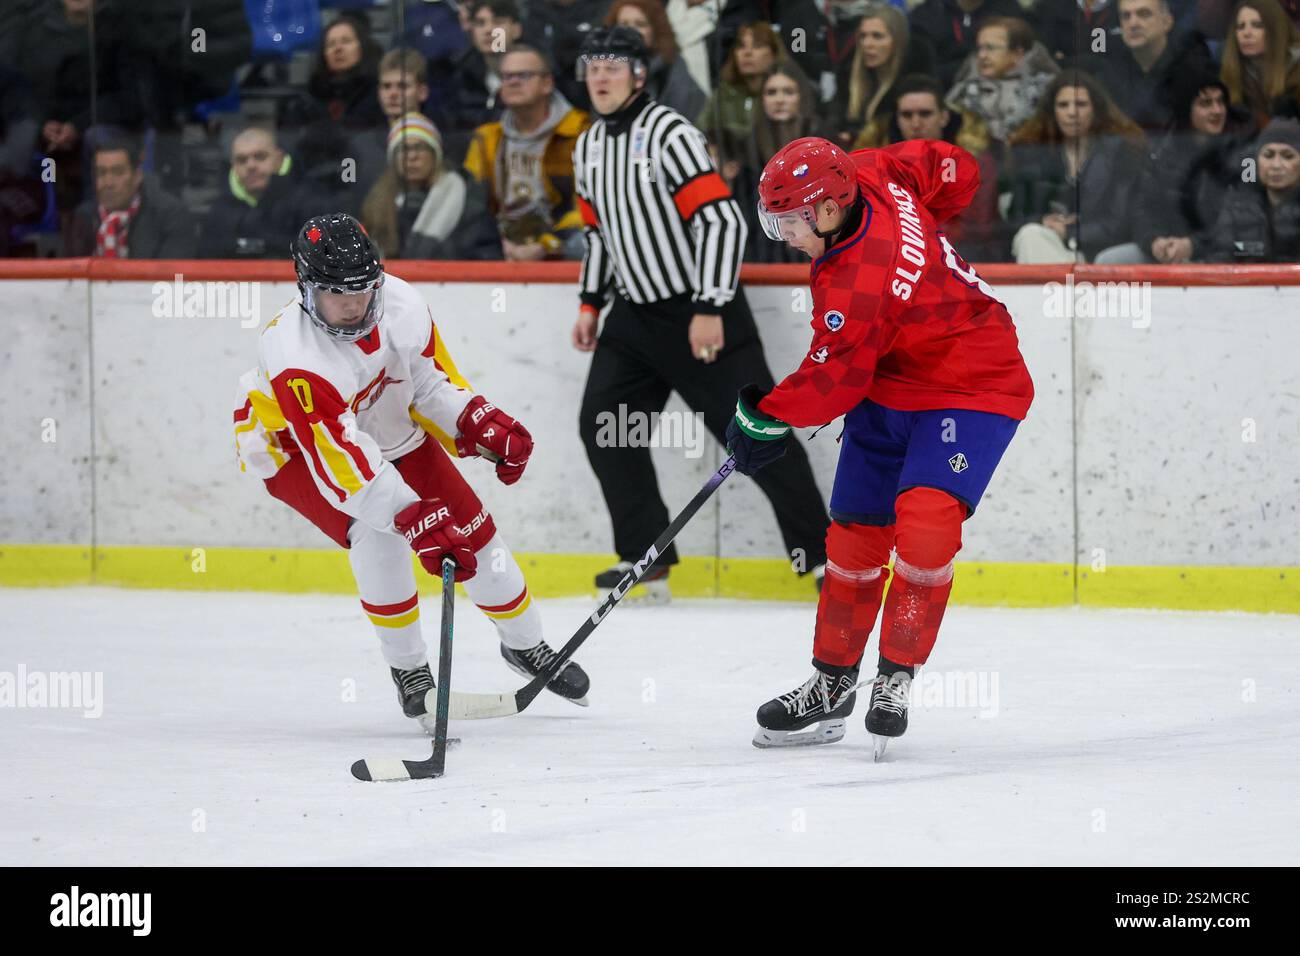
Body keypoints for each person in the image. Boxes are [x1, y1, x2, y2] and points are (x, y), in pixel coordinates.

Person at [723, 136, 1032, 755]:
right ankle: (832, 682)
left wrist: (764, 418)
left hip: (970, 379)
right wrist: (931, 241)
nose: (782, 233)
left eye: (790, 221)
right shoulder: (868, 166)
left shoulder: (856, 280)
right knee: (855, 538)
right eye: (773, 218)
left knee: (925, 523)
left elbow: (833, 377)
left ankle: (895, 674)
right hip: (886, 380)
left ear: (829, 209)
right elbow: (953, 166)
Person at [234, 213, 589, 733]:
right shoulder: (297, 358)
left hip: (384, 421)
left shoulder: (402, 303)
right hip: (292, 448)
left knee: (476, 533)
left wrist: (478, 422)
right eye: (337, 294)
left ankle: (526, 645)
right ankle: (411, 673)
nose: (354, 305)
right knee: (376, 536)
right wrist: (410, 518)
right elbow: (344, 470)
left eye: (362, 289)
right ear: (307, 290)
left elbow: (429, 384)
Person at [571, 27, 831, 601]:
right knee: (604, 425)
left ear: (639, 75)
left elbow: (720, 220)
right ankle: (646, 554)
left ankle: (820, 554)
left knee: (758, 433)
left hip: (700, 311)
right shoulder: (586, 146)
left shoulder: (669, 133)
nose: (601, 76)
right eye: (593, 67)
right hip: (634, 318)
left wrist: (710, 305)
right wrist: (591, 303)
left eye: (613, 66)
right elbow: (598, 233)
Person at [1004, 70, 1148, 264]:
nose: (1072, 113)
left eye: (1081, 104)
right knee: (1031, 234)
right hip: (1048, 244)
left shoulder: (1120, 154)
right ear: (1053, 111)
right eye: (1063, 105)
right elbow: (1015, 217)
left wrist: (1071, 232)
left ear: (1095, 109)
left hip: (1099, 254)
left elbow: (1122, 223)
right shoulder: (1035, 154)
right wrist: (1043, 222)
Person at [464, 45, 591, 261]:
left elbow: (587, 204)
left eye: (523, 75)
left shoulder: (579, 132)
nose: (513, 82)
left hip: (563, 249)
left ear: (547, 83)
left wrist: (546, 245)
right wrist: (497, 248)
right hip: (502, 253)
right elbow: (473, 211)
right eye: (506, 77)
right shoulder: (487, 139)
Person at [1134, 70, 1254, 263]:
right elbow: (1145, 209)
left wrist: (1193, 245)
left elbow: (1246, 219)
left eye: (1220, 101)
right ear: (1186, 110)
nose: (1217, 110)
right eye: (1205, 104)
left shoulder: (1246, 156)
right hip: (1171, 250)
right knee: (1110, 259)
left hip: (1223, 254)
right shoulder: (1163, 152)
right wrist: (1154, 241)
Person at [360, 112, 502, 260]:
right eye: (403, 149)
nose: (412, 156)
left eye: (420, 147)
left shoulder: (468, 202)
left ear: (435, 155)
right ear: (393, 158)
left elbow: (487, 259)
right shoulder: (376, 204)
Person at [1094, 0, 1216, 133]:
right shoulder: (1108, 75)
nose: (1133, 23)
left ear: (1167, 22)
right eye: (1126, 16)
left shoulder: (1195, 72)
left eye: (1144, 14)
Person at [827, 4, 937, 150]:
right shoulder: (849, 77)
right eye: (863, 36)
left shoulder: (913, 85)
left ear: (897, 40)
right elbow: (833, 120)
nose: (867, 44)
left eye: (877, 36)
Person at [65, 138, 195, 257]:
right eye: (101, 173)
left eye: (118, 172)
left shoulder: (170, 215)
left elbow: (171, 277)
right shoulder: (84, 216)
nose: (108, 183)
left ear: (137, 176)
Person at [432, 0, 524, 163]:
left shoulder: (533, 75)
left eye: (498, 22)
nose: (489, 30)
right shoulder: (458, 80)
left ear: (517, 30)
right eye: (480, 23)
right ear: (472, 31)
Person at [944, 16, 1059, 146]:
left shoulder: (1048, 92)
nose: (982, 55)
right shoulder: (963, 92)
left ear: (1017, 54)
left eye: (990, 48)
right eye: (979, 48)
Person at [1203, 117, 1300, 260]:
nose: (1276, 165)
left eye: (1287, 156)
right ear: (1256, 160)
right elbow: (1220, 258)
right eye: (1268, 155)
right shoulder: (1237, 208)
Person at [200, 126, 300, 259]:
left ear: (278, 159)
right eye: (242, 160)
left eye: (260, 157)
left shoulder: (306, 202)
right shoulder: (218, 211)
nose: (251, 166)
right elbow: (205, 263)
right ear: (233, 166)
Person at [607, 0, 707, 119]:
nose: (631, 31)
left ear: (655, 30)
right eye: (624, 24)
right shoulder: (604, 68)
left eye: (640, 24)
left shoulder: (673, 68)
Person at [907, 0, 1027, 90]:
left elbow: (1020, 61)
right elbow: (923, 70)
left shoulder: (1010, 11)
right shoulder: (925, 15)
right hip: (939, 94)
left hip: (998, 91)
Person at [1221, 0, 1300, 127]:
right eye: (1240, 26)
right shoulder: (1234, 74)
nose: (1246, 33)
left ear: (1275, 29)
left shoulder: (1297, 70)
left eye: (1257, 25)